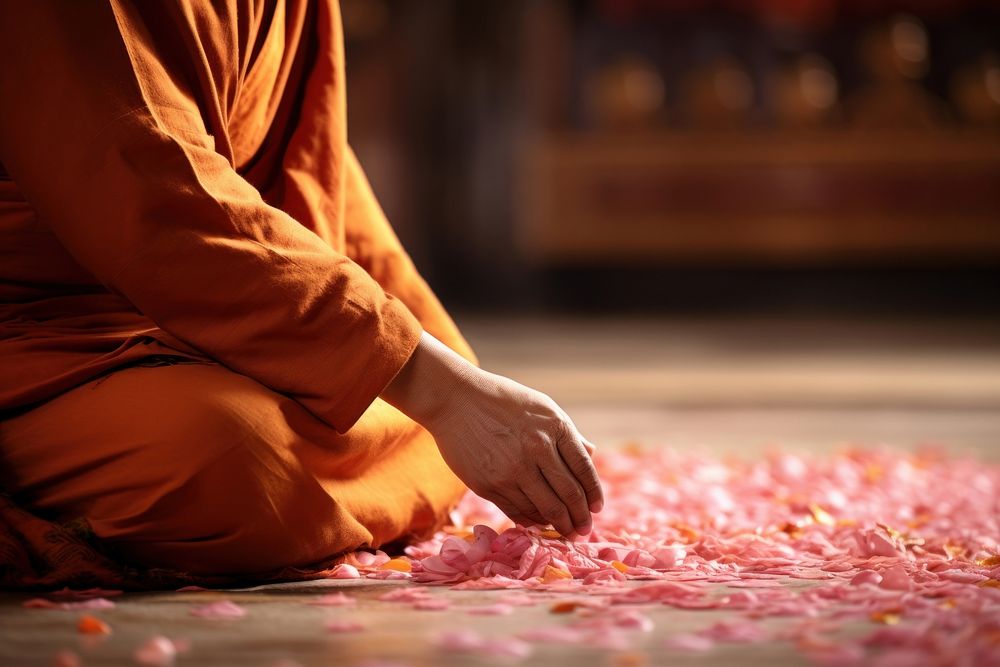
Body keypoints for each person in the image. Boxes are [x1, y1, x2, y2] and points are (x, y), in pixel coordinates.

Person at [0, 0, 602, 585]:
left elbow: (311, 164)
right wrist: (438, 391)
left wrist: (444, 372)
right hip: (47, 331)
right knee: (234, 459)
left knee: (444, 402)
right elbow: (156, 202)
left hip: (219, 312)